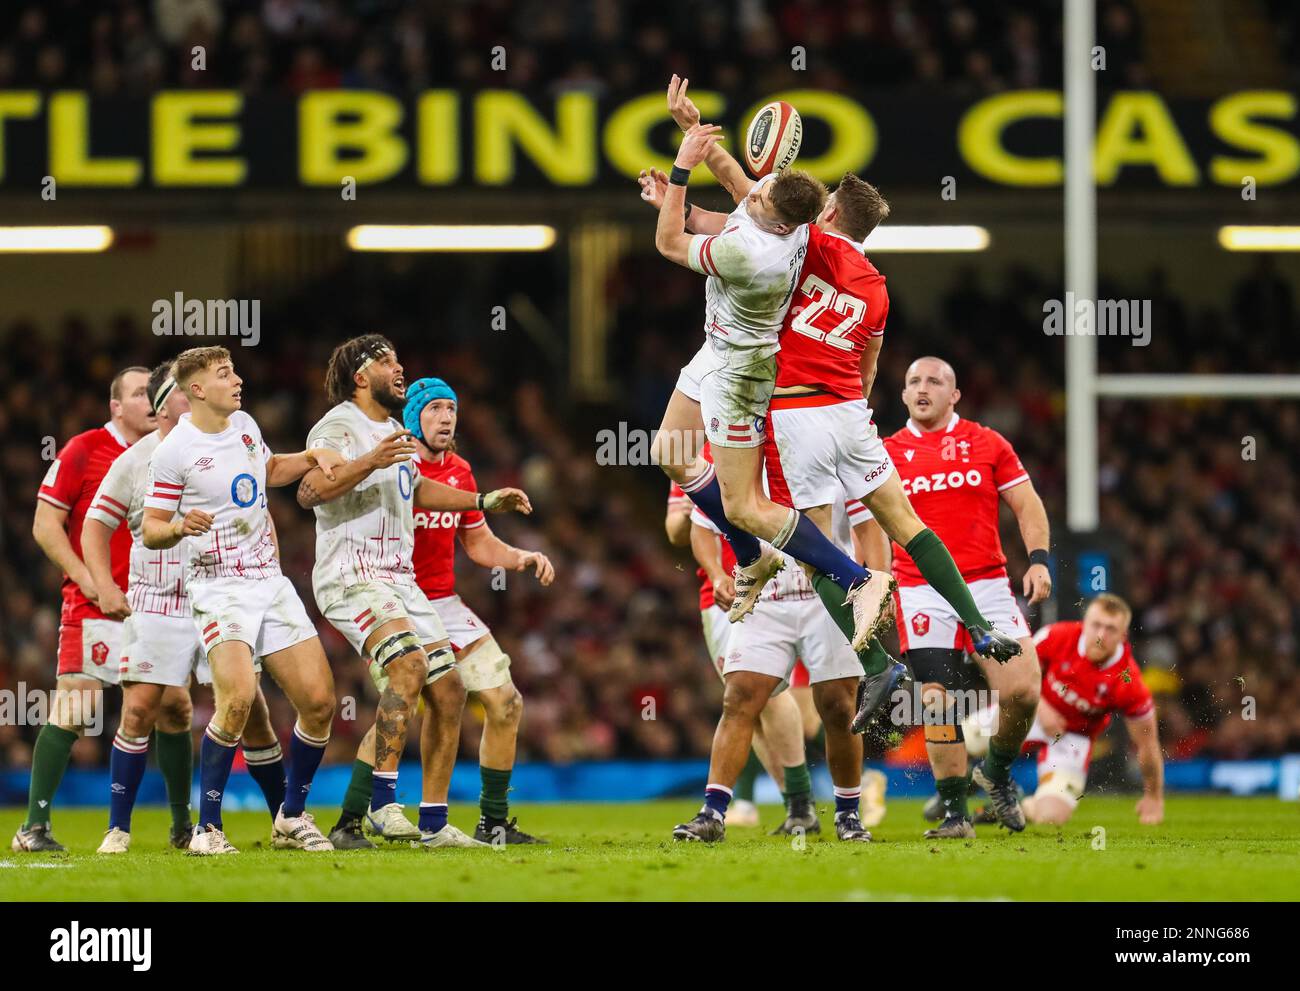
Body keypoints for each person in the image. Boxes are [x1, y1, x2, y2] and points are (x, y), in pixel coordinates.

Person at [297, 337, 532, 850]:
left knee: (450, 692)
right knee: (408, 669)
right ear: (361, 377)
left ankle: (432, 824)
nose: (398, 367)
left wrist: (481, 499)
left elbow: (418, 488)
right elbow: (308, 491)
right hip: (353, 572)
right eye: (386, 361)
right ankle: (382, 804)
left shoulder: (394, 433)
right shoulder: (337, 426)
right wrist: (371, 461)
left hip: (400, 579)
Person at [141, 346, 346, 854]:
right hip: (218, 586)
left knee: (320, 703)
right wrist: (177, 527)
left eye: (233, 371)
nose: (237, 380)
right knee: (234, 700)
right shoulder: (174, 451)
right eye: (224, 374)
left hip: (268, 581)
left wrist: (312, 457)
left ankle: (291, 818)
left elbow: (269, 469)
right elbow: (149, 530)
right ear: (196, 390)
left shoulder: (246, 425)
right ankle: (208, 829)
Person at [85, 359, 285, 853]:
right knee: (140, 707)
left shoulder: (231, 438)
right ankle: (118, 828)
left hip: (223, 592)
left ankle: (287, 816)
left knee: (251, 709)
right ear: (166, 402)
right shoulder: (137, 459)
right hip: (160, 600)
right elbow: (95, 526)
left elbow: (258, 509)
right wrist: (103, 587)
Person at [857, 357, 1051, 838]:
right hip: (921, 590)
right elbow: (873, 526)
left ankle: (998, 771)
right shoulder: (884, 454)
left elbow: (1026, 503)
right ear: (903, 395)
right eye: (914, 382)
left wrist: (1041, 558)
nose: (923, 388)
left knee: (1022, 692)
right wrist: (878, 580)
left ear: (955, 394)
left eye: (935, 381)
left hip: (986, 584)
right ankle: (954, 814)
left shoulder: (987, 443)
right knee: (939, 701)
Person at [13, 365, 154, 853]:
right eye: (139, 393)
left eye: (154, 391)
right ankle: (35, 826)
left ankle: (186, 826)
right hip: (94, 605)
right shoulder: (83, 448)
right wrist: (89, 580)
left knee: (173, 708)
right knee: (77, 705)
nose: (150, 400)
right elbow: (45, 524)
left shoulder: (169, 454)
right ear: (115, 406)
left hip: (155, 604)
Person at [960, 595, 1164, 826]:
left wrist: (1154, 796)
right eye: (1096, 625)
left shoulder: (1128, 681)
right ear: (1084, 623)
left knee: (1050, 818)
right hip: (1030, 711)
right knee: (959, 739)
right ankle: (954, 799)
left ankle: (1014, 805)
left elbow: (1147, 743)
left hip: (1073, 738)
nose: (1101, 635)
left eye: (1111, 629)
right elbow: (1017, 675)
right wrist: (1041, 707)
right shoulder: (1057, 635)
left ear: (1123, 636)